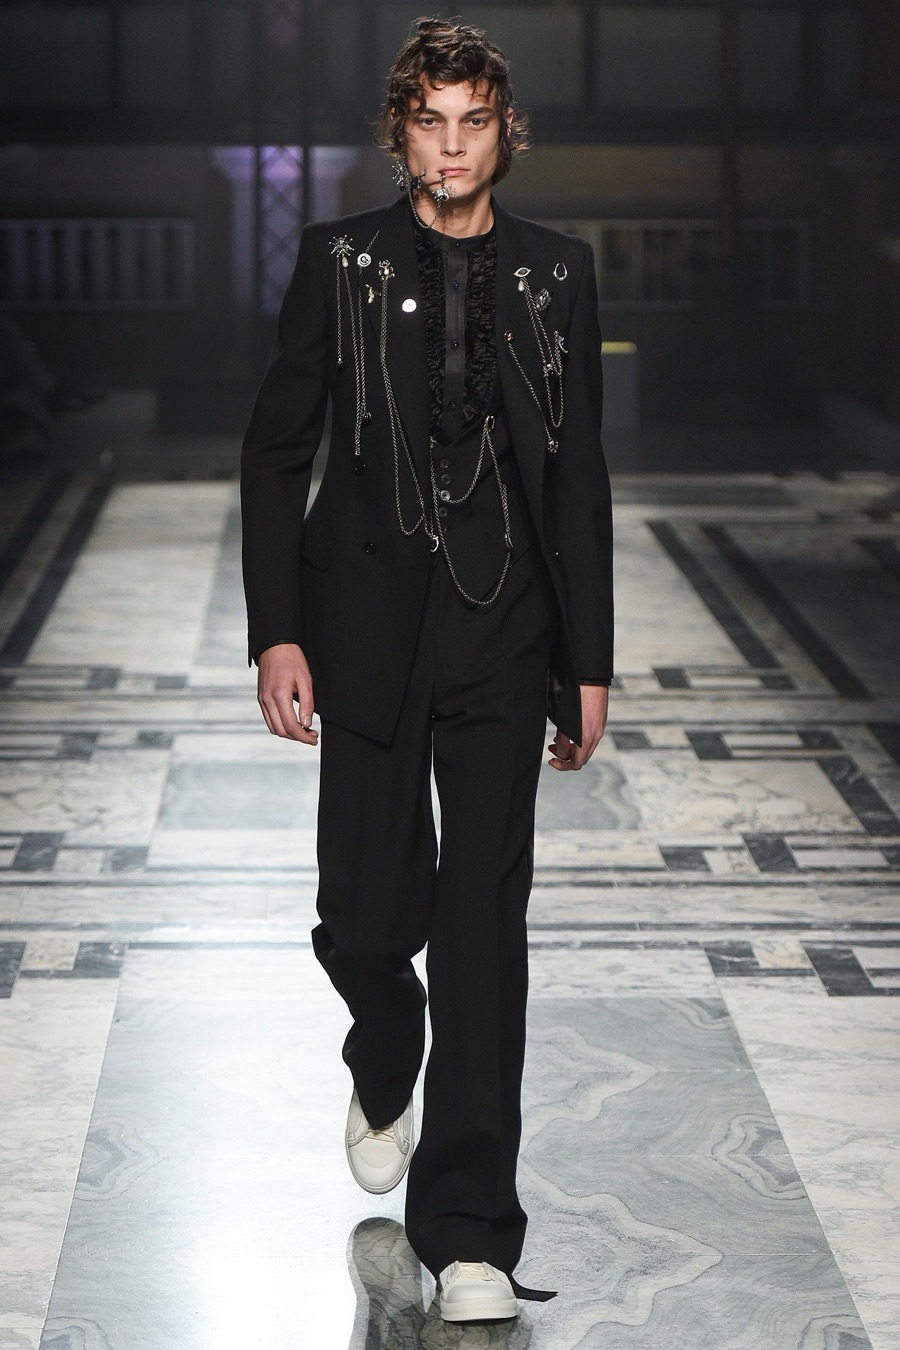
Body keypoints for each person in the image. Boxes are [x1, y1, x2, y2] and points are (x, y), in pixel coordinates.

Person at [240, 17, 613, 1324]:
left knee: (483, 931)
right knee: (364, 909)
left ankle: (470, 1232)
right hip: (364, 628)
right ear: (400, 134)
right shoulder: (337, 261)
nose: (453, 147)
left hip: (505, 631)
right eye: (430, 122)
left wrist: (588, 659)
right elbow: (276, 451)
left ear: (505, 132)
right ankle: (385, 1046)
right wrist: (279, 630)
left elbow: (578, 475)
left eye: (475, 122)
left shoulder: (558, 273)